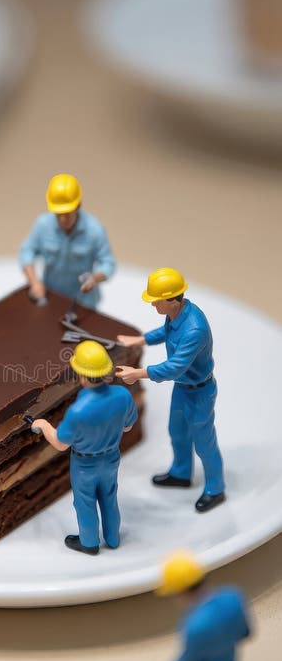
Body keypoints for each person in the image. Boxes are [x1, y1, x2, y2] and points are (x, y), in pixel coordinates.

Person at [116, 267, 225, 514]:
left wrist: (137, 373)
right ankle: (181, 473)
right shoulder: (177, 314)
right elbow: (164, 332)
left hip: (199, 393)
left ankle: (215, 488)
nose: (153, 304)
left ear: (171, 299)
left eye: (156, 300)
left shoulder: (194, 329)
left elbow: (174, 367)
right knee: (177, 432)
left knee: (204, 442)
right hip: (183, 388)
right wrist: (140, 340)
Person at [32, 340, 137, 553]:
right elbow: (127, 427)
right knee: (109, 498)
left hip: (84, 464)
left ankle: (89, 543)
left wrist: (42, 425)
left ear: (81, 374)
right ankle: (113, 539)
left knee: (85, 502)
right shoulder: (123, 396)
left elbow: (61, 444)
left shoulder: (78, 411)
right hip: (111, 458)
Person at [19, 173, 116, 308]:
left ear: (78, 206)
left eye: (67, 213)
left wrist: (94, 278)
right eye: (59, 214)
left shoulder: (95, 230)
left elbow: (108, 263)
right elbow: (26, 251)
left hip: (83, 302)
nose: (63, 220)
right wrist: (34, 281)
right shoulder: (42, 225)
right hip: (51, 297)